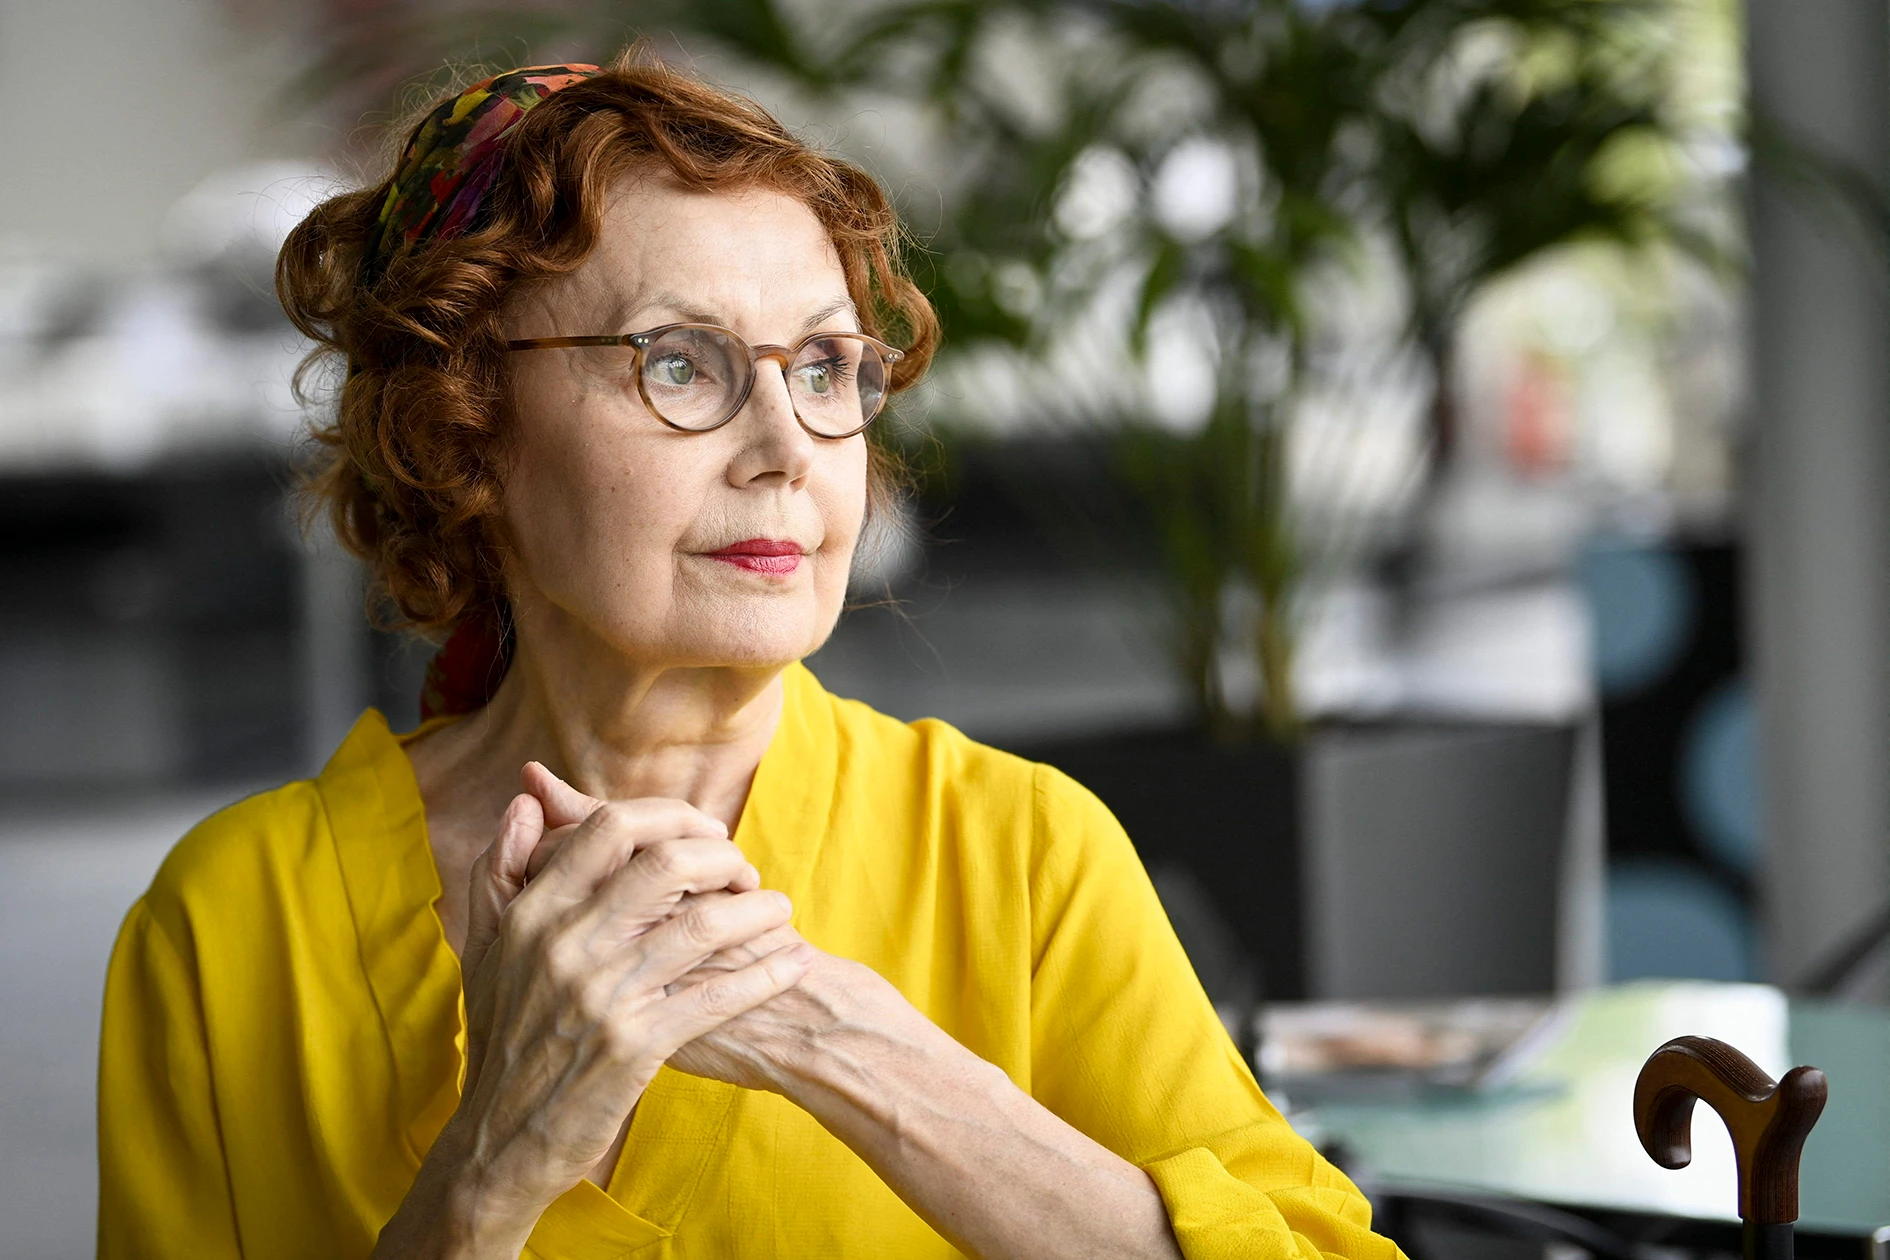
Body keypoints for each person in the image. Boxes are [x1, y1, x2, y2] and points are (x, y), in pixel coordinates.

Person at [97, 49, 1404, 1260]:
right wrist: (495, 1163)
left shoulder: (1018, 853)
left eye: (827, 368)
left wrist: (853, 1049)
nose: (785, 442)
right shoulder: (234, 922)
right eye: (679, 361)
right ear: (465, 426)